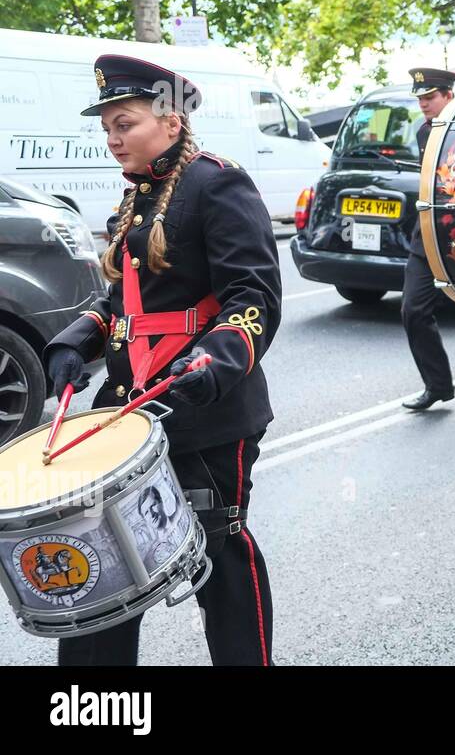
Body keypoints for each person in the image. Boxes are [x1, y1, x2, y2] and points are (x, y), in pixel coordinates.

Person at [44, 54, 280, 665]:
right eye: (107, 127)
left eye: (124, 123)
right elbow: (127, 298)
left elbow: (253, 297)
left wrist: (214, 364)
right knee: (101, 566)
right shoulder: (140, 195)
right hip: (126, 412)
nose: (112, 137)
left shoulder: (216, 181)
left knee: (219, 555)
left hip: (206, 410)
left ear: (171, 121)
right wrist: (80, 337)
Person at [399, 68, 455, 415]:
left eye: (429, 97)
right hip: (427, 234)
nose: (423, 104)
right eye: (420, 99)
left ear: (448, 96)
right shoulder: (425, 132)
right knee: (413, 309)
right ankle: (437, 385)